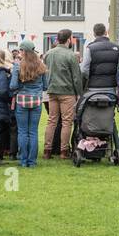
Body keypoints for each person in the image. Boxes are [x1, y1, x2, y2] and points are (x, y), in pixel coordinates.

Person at [43, 28, 85, 160]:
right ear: (68, 39)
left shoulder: (49, 53)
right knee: (67, 122)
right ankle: (64, 151)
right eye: (72, 38)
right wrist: (80, 93)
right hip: (67, 92)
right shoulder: (71, 55)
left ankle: (47, 150)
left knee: (51, 121)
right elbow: (77, 78)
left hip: (52, 90)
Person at [9, 41, 49, 168]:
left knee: (22, 131)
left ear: (23, 51)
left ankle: (23, 160)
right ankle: (32, 161)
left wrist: (21, 86)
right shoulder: (41, 66)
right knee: (33, 131)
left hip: (22, 100)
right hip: (36, 100)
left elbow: (13, 86)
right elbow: (46, 86)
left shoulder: (17, 66)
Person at [81, 23, 119, 92]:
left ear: (94, 34)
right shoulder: (117, 48)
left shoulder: (90, 48)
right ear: (106, 32)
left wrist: (91, 78)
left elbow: (84, 69)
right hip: (111, 86)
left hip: (93, 87)